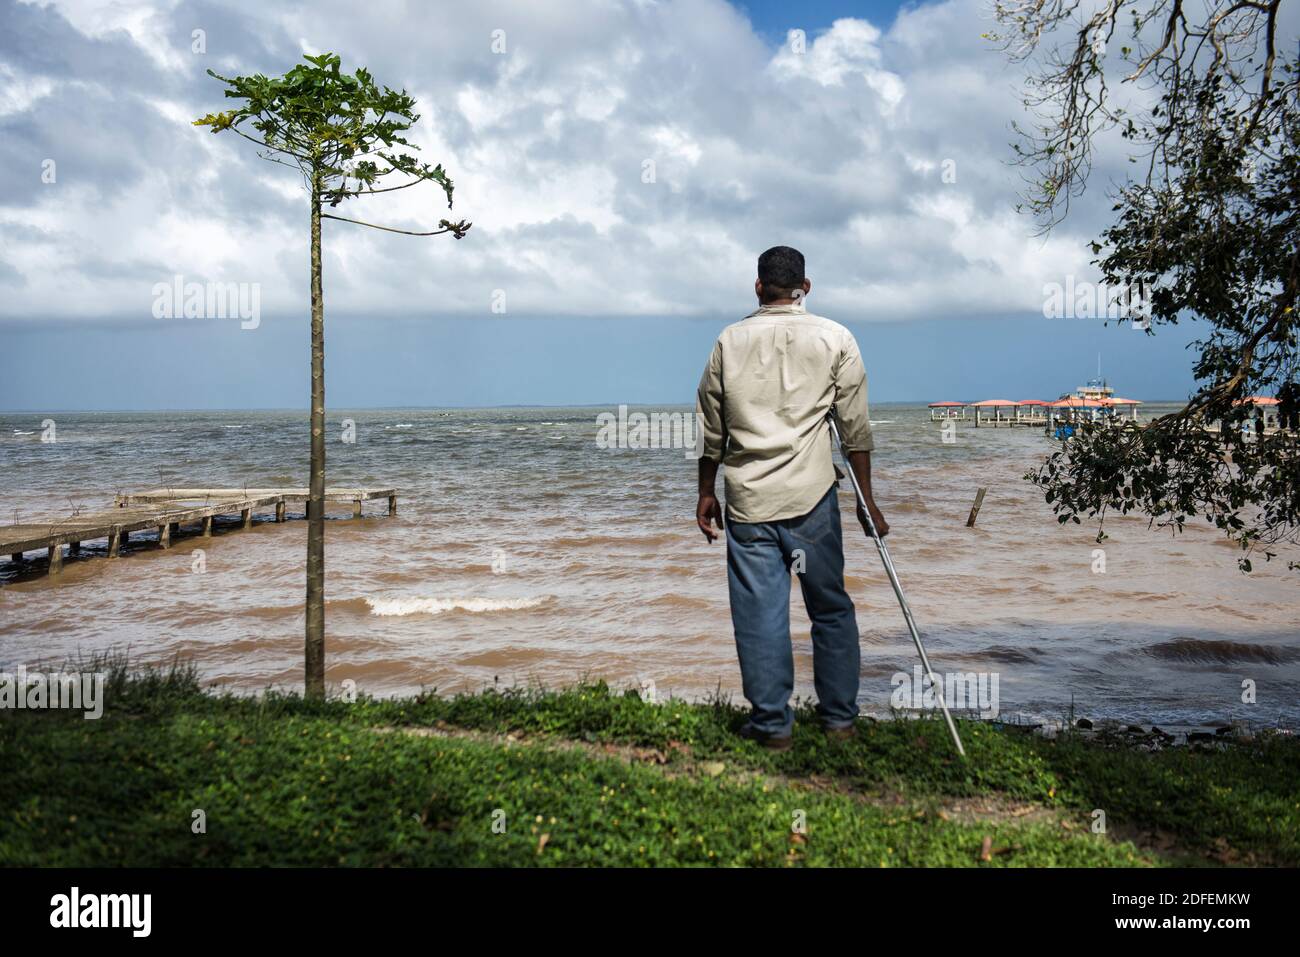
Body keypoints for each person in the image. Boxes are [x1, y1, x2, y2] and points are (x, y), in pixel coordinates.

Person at [694, 246, 887, 751]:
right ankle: (840, 721)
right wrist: (868, 501)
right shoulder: (835, 338)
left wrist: (704, 492)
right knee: (830, 609)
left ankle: (773, 726)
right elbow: (855, 430)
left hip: (749, 502)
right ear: (806, 287)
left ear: (757, 287)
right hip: (813, 501)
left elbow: (712, 431)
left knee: (760, 616)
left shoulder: (728, 342)